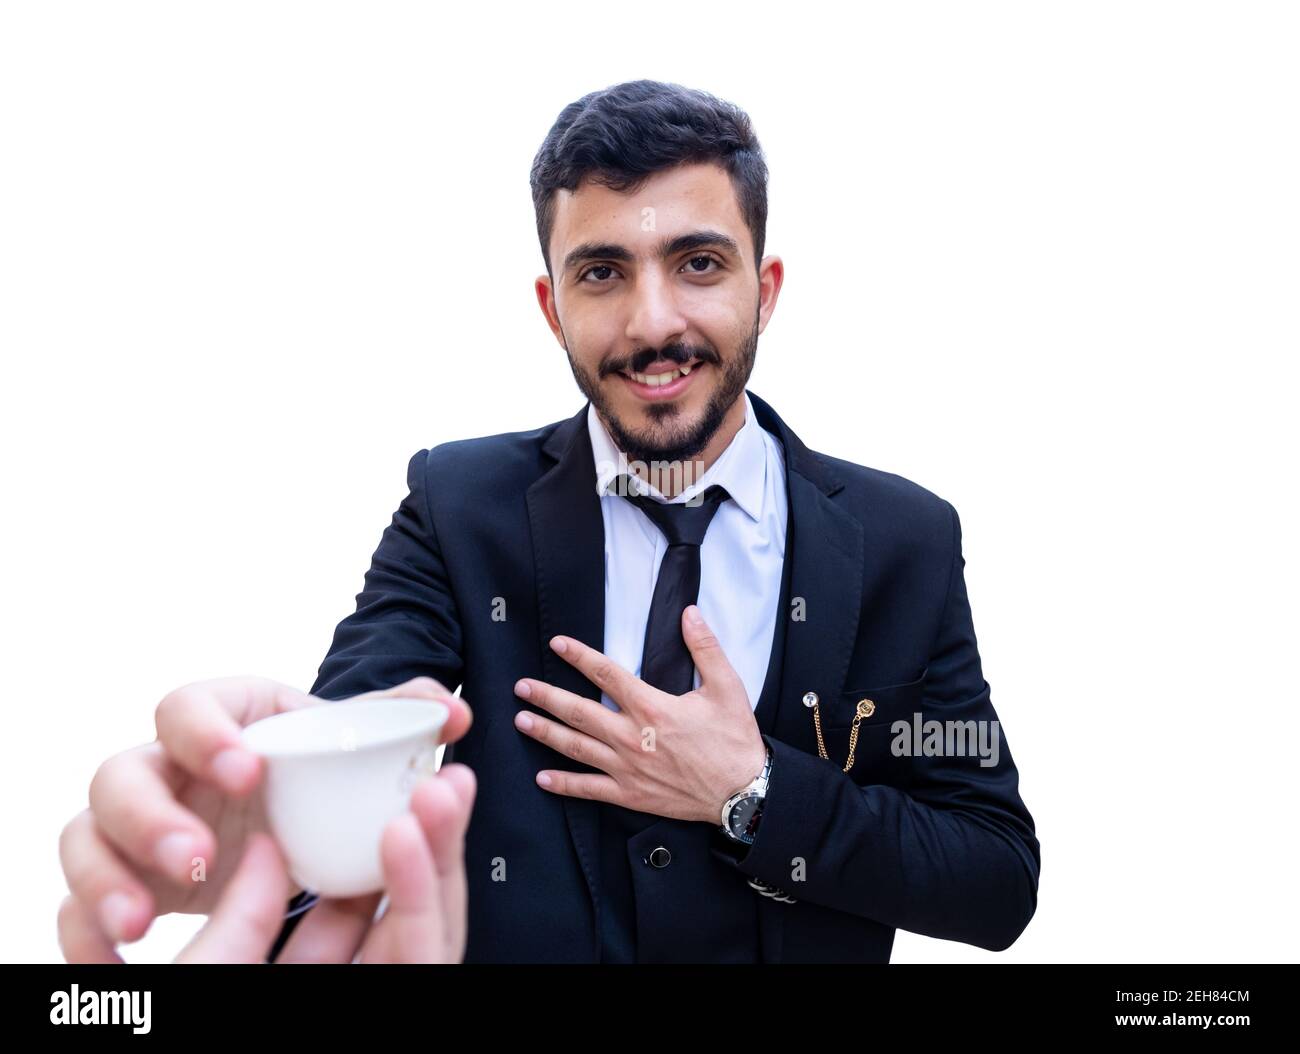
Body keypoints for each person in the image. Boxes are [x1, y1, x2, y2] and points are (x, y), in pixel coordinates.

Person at [59, 78, 1040, 964]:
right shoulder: (458, 504)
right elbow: (359, 734)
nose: (653, 321)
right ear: (552, 305)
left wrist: (752, 793)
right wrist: (274, 831)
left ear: (764, 288)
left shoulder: (899, 538)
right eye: (603, 273)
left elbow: (993, 874)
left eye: (698, 262)